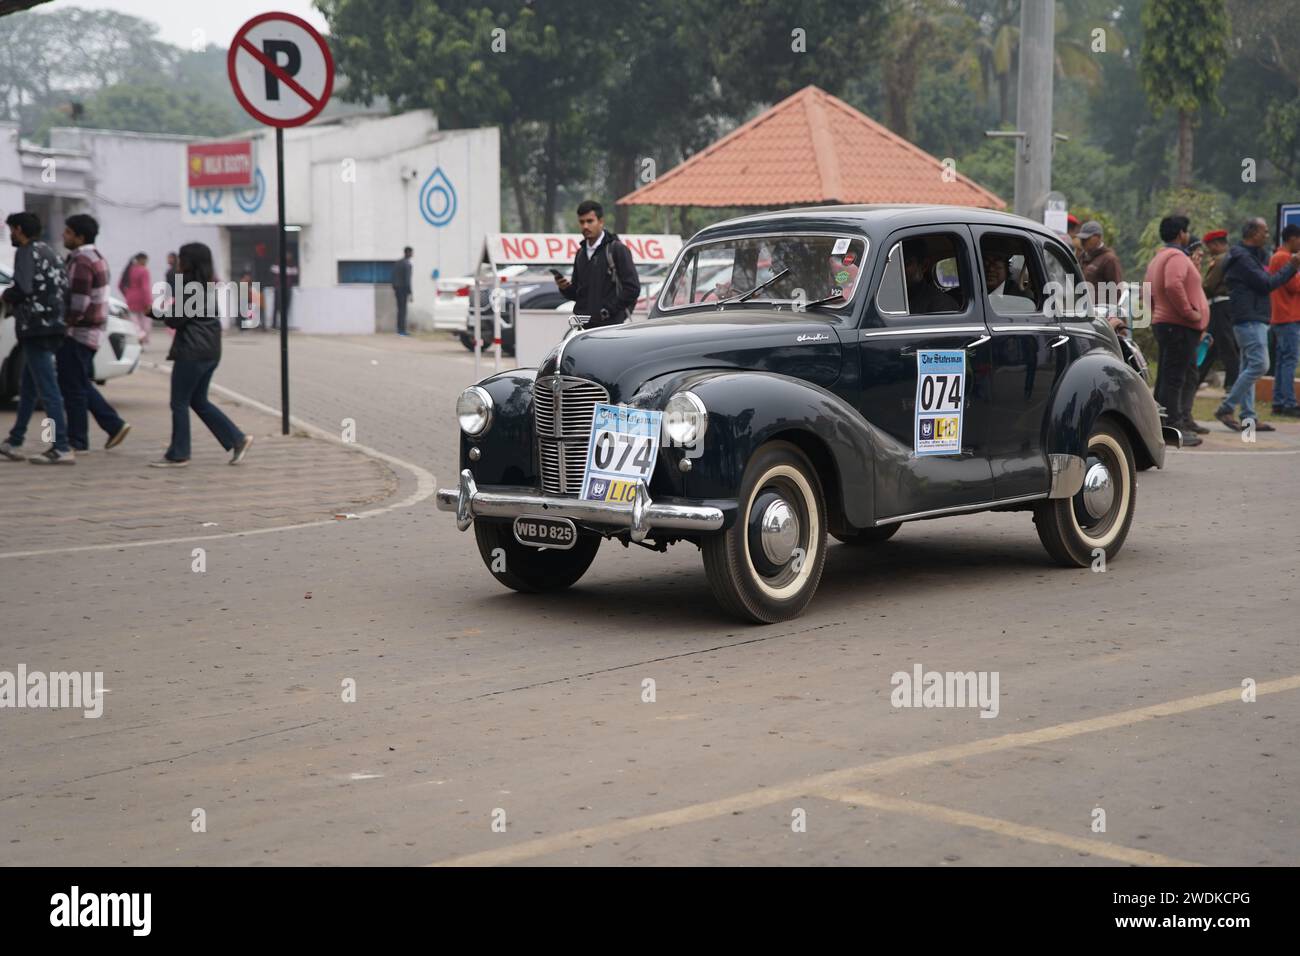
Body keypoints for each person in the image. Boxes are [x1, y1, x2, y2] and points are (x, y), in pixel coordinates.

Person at [150, 242, 253, 468]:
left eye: (181, 258)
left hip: (192, 352)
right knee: (198, 400)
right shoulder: (208, 285)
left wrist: (155, 311)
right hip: (211, 351)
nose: (178, 261)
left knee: (179, 402)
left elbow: (175, 320)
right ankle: (237, 439)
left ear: (188, 262)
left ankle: (179, 454)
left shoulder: (189, 286)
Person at [0, 211, 74, 464]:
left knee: (49, 390)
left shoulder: (25, 252)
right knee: (29, 387)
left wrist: (5, 297)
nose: (10, 234)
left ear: (18, 229)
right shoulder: (50, 251)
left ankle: (61, 446)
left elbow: (23, 288)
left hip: (35, 328)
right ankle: (14, 440)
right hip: (54, 325)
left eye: (11, 229)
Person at [1215, 218, 1300, 431]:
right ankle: (1226, 407)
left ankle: (1248, 417)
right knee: (1259, 365)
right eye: (1264, 231)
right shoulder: (1243, 258)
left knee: (1248, 366)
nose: (1267, 235)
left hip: (1253, 317)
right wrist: (1292, 266)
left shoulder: (1252, 256)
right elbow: (1266, 283)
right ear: (1253, 233)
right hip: (1249, 318)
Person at [57, 214, 130, 452]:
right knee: (78, 382)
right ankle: (113, 425)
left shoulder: (82, 260)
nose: (63, 236)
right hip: (91, 332)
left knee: (74, 387)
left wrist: (63, 325)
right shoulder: (95, 257)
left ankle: (80, 439)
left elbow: (79, 303)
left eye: (67, 232)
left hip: (79, 333)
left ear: (80, 236)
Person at [1146, 215, 1208, 444]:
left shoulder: (1158, 258)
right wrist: (1189, 312)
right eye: (1187, 232)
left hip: (1165, 323)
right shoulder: (1177, 257)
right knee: (1174, 378)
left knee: (1166, 377)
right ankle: (1174, 428)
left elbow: (1148, 290)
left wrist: (1157, 312)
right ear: (1182, 233)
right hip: (1179, 326)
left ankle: (1160, 425)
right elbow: (1173, 284)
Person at [555, 200, 639, 328]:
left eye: (590, 221)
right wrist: (564, 288)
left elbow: (632, 289)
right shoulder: (581, 254)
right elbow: (578, 294)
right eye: (582, 222)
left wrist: (609, 311)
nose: (585, 226)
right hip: (583, 326)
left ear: (601, 222)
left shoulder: (616, 250)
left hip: (609, 327)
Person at [1267, 223, 1300, 417]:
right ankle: (1288, 402)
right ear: (1292, 238)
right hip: (1288, 316)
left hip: (1283, 316)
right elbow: (1294, 286)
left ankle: (1279, 401)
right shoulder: (1284, 258)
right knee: (1289, 361)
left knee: (1282, 361)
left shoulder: (1279, 257)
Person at [1198, 230, 1238, 387]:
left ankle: (1231, 385)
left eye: (1209, 246)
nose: (1208, 250)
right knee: (1211, 346)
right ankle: (1196, 380)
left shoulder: (1221, 260)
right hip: (1221, 307)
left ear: (1216, 244)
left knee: (1227, 348)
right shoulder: (1227, 258)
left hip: (1220, 306)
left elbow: (1209, 285)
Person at [1078, 221, 1125, 333]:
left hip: (1101, 317)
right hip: (1083, 313)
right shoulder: (1082, 257)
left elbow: (1116, 290)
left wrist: (1110, 317)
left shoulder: (1109, 259)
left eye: (1087, 239)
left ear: (1098, 237)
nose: (1083, 242)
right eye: (1082, 239)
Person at [118, 252, 152, 344]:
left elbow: (120, 285)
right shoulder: (144, 270)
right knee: (145, 321)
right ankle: (143, 338)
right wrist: (148, 302)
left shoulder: (128, 270)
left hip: (131, 298)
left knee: (134, 321)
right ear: (142, 260)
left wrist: (127, 294)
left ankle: (138, 335)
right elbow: (145, 288)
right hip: (142, 298)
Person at [392, 246, 413, 336]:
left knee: (399, 309)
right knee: (403, 310)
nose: (412, 254)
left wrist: (395, 287)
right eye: (411, 252)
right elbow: (407, 280)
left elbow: (393, 276)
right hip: (403, 289)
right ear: (408, 253)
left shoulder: (397, 263)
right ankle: (402, 330)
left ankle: (399, 329)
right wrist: (410, 292)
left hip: (397, 288)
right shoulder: (407, 264)